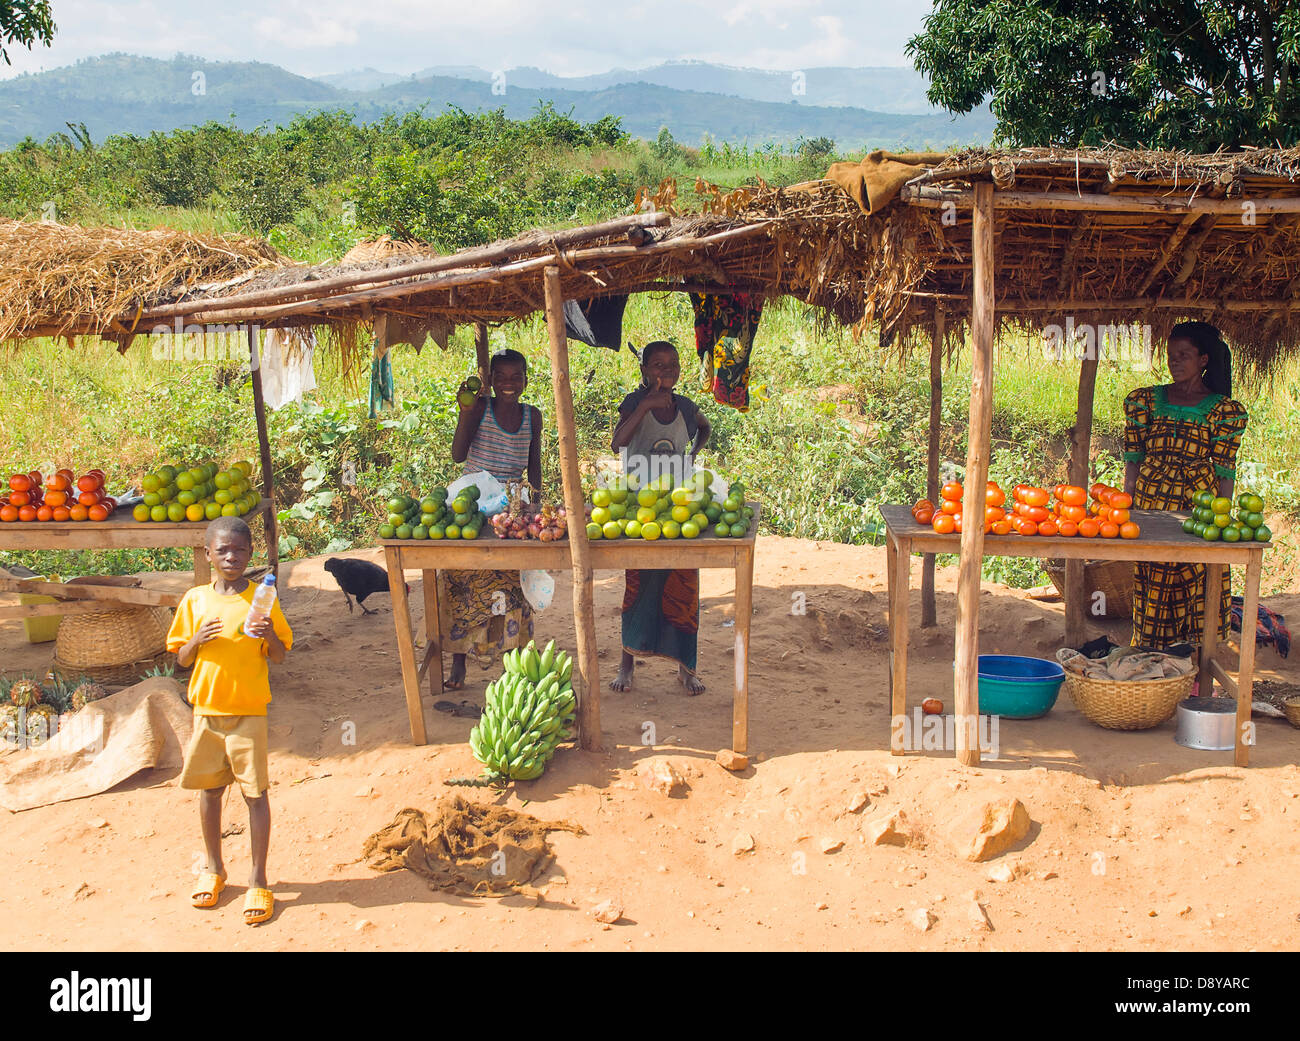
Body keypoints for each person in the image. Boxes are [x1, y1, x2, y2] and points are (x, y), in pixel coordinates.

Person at [166, 516, 292, 926]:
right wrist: (194, 641)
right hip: (206, 712)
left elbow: (279, 655)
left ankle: (258, 879)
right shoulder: (195, 600)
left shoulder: (263, 598)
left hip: (249, 712)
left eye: (239, 550)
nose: (231, 557)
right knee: (210, 792)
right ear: (208, 555)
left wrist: (270, 635)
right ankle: (214, 869)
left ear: (251, 552)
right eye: (222, 550)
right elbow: (180, 660)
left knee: (255, 796)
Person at [1123, 321, 1247, 649]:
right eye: (1170, 356)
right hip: (1151, 506)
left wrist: (1222, 517)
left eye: (1184, 355)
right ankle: (1150, 662)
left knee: (1199, 582)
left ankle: (1193, 668)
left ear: (1203, 360)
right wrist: (1127, 505)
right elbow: (1133, 459)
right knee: (1154, 582)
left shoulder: (1225, 411)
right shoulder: (1144, 401)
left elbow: (1225, 471)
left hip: (1198, 507)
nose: (1174, 362)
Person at [609, 340, 713, 694]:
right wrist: (646, 406)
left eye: (672, 364)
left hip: (679, 508)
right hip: (639, 508)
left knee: (684, 586)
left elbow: (705, 428)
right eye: (657, 364)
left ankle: (687, 668)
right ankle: (627, 664)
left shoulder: (686, 407)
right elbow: (617, 442)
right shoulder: (635, 402)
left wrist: (692, 456)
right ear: (643, 371)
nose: (666, 370)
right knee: (638, 584)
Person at [443, 348, 542, 689]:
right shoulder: (480, 408)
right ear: (490, 381)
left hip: (511, 507)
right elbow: (458, 456)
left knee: (510, 585)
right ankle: (459, 660)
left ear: (526, 380)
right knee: (465, 580)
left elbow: (535, 470)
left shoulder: (533, 416)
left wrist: (537, 506)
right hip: (472, 502)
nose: (509, 383)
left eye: (516, 377)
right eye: (501, 377)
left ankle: (512, 662)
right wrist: (465, 412)